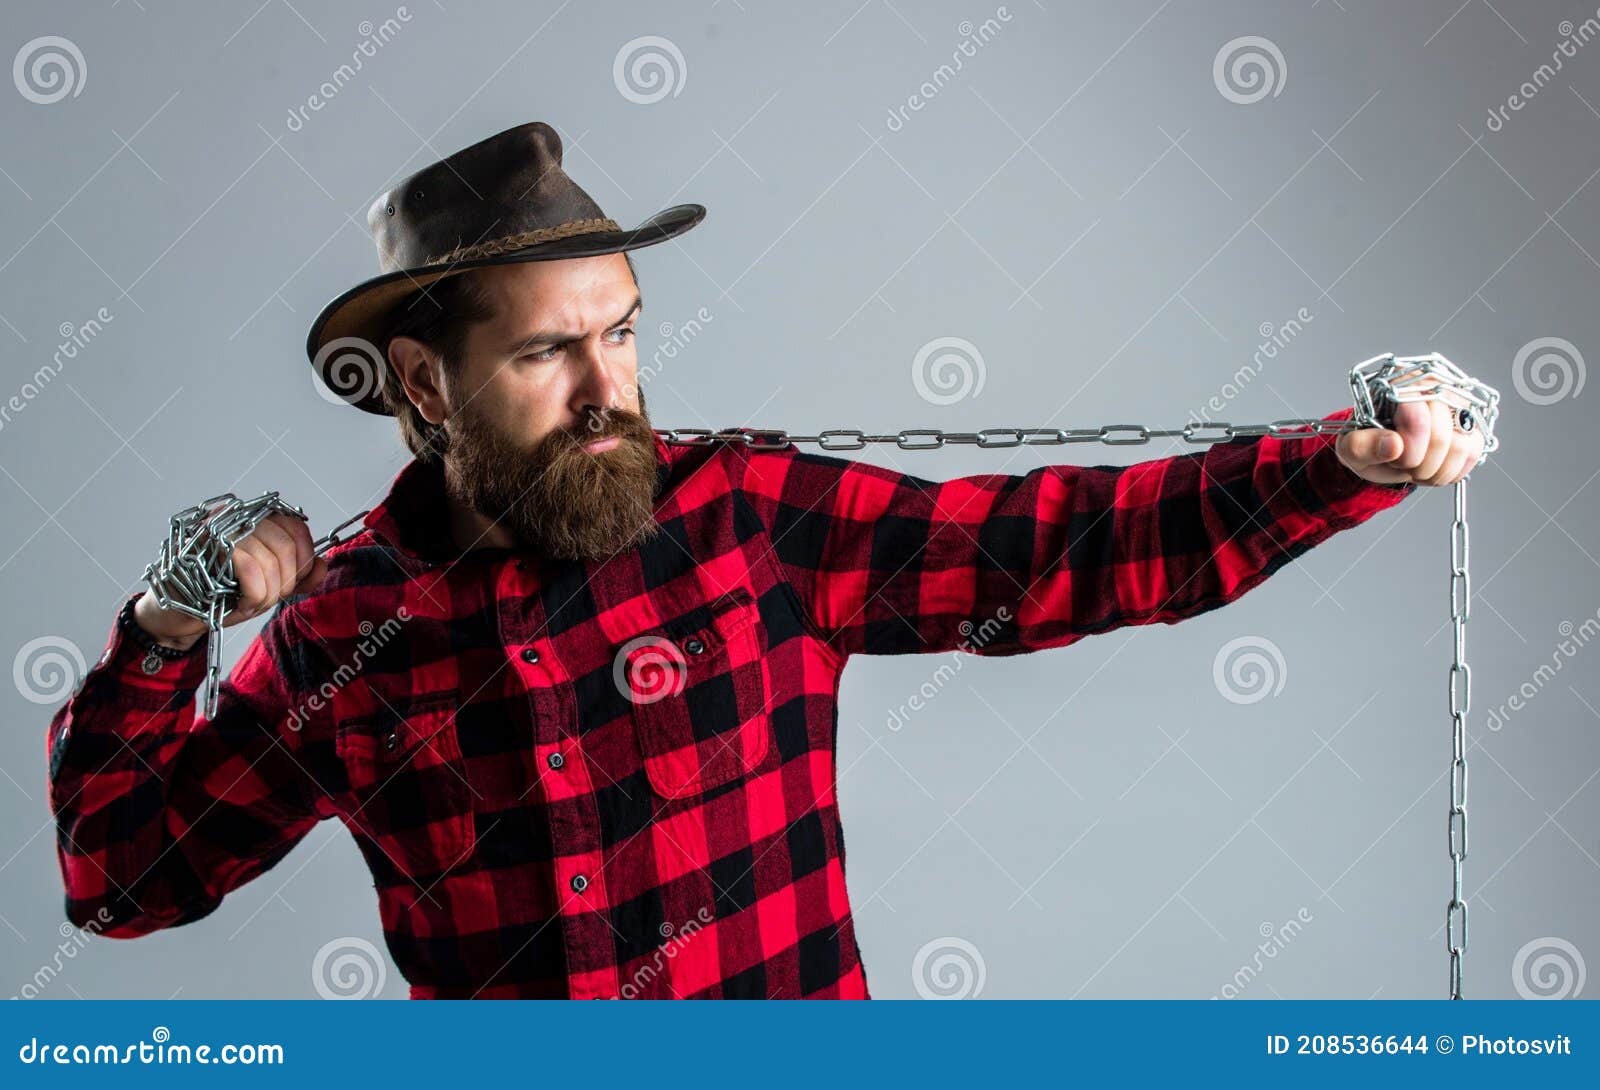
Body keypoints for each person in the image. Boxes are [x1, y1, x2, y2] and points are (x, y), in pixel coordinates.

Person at [44, 121, 1483, 999]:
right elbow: (122, 879)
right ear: (424, 383)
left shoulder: (752, 521)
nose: (610, 389)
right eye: (551, 349)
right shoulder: (343, 639)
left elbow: (1066, 552)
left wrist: (1333, 466)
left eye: (621, 330)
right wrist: (174, 619)